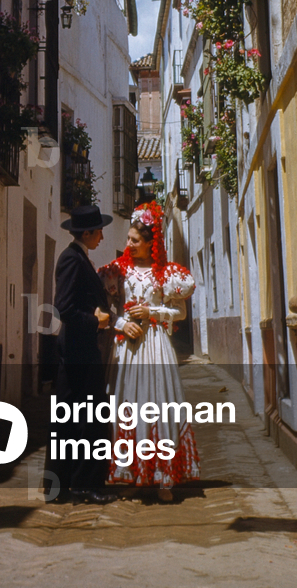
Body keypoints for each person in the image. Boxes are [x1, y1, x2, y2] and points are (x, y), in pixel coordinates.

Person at [98, 201, 200, 502]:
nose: (128, 245)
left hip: (155, 344)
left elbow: (179, 312)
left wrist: (153, 310)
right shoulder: (118, 271)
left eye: (134, 241)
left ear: (150, 243)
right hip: (129, 347)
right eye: (128, 239)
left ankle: (163, 477)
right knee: (129, 403)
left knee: (158, 401)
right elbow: (103, 307)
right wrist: (120, 323)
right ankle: (134, 473)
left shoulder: (166, 274)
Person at [45, 204, 115, 505]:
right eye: (98, 231)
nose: (101, 236)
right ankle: (84, 484)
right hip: (78, 352)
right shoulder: (72, 260)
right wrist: (95, 321)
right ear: (86, 233)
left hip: (80, 351)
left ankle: (61, 486)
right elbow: (64, 308)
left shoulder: (78, 257)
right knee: (90, 420)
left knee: (72, 419)